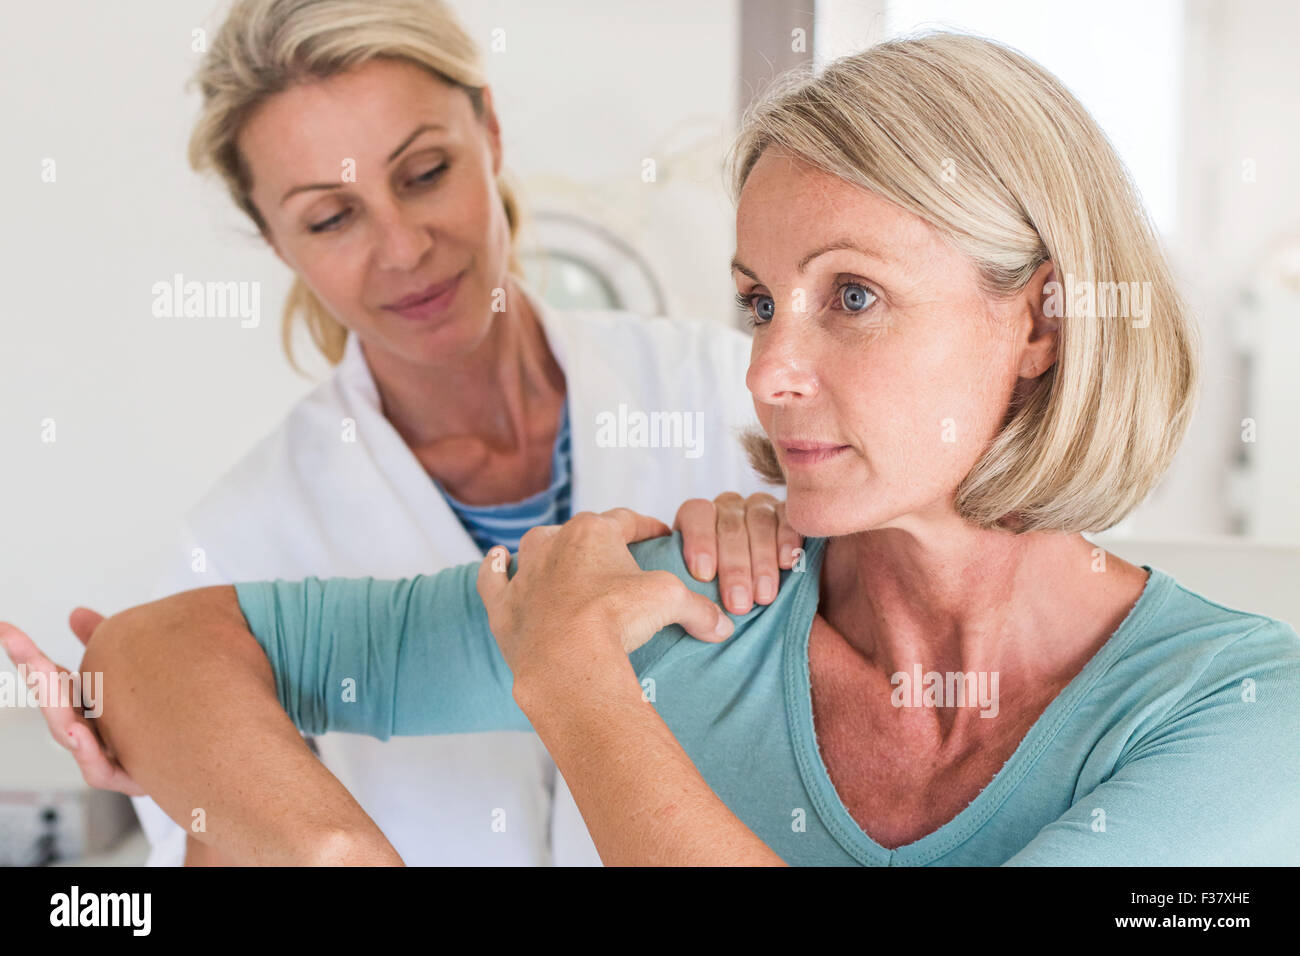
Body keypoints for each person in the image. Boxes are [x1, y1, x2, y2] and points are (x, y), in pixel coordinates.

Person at [13, 30, 1300, 865]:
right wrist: (324, 854)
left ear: (1042, 319)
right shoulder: (694, 596)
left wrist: (576, 679)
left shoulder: (1242, 710)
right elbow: (154, 646)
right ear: (274, 241)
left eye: (850, 294)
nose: (765, 369)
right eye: (754, 302)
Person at [0, 0, 800, 868]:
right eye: (331, 217)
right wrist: (186, 770)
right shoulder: (238, 540)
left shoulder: (734, 394)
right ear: (275, 240)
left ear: (488, 132)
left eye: (422, 173)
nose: (403, 245)